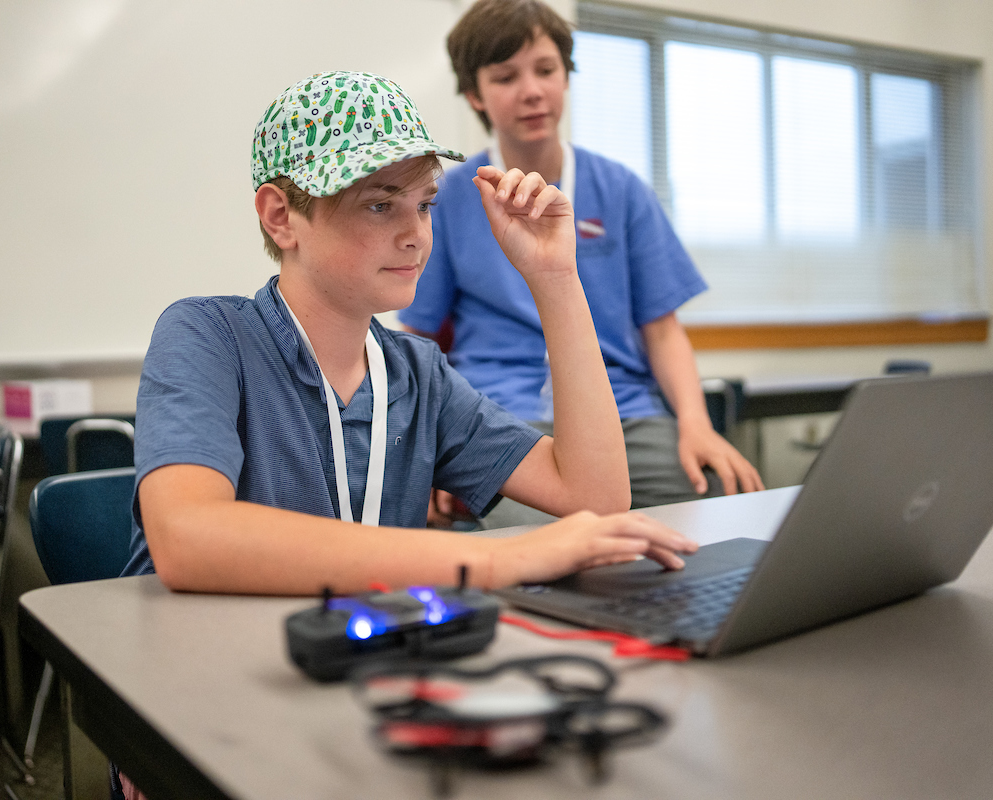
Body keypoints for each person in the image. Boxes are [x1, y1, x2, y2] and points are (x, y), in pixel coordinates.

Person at [120, 70, 698, 599]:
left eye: (424, 205)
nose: (416, 234)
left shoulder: (417, 375)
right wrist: (498, 559)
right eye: (378, 205)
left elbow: (595, 497)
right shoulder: (208, 337)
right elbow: (187, 537)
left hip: (351, 657)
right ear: (280, 217)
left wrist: (556, 279)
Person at [398, 0, 764, 529]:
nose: (532, 91)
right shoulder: (450, 197)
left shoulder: (620, 189)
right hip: (501, 414)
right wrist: (432, 443)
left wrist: (695, 423)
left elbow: (662, 331)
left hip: (624, 411)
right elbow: (419, 335)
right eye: (506, 77)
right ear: (475, 94)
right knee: (549, 541)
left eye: (546, 70)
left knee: (716, 515)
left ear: (566, 78)